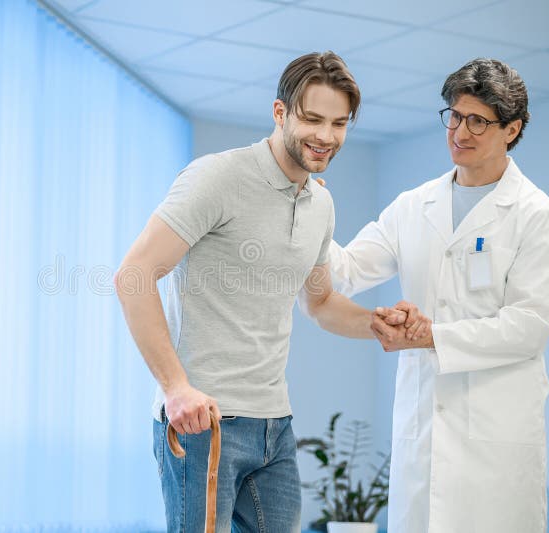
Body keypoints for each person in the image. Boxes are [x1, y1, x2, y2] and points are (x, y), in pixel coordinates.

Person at [114, 51, 424, 532]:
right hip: (204, 423)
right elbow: (133, 275)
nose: (326, 136)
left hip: (275, 426)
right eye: (313, 118)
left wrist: (374, 324)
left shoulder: (320, 203)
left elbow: (319, 303)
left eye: (339, 123)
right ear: (280, 113)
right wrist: (176, 389)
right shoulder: (217, 177)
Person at [328, 58, 549, 532]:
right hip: (424, 438)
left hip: (496, 445)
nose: (460, 131)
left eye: (478, 120)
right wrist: (308, 209)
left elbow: (528, 329)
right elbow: (346, 271)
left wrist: (431, 336)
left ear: (512, 128)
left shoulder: (539, 216)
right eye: (454, 116)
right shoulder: (414, 206)